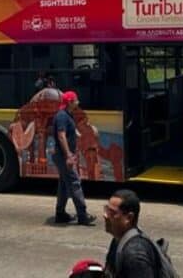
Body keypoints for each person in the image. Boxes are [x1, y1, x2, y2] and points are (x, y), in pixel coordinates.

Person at [53, 91, 96, 226]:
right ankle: (82, 215)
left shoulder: (67, 115)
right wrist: (69, 155)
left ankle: (60, 214)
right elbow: (61, 135)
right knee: (74, 182)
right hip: (63, 156)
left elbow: (67, 132)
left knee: (64, 186)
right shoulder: (62, 116)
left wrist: (76, 134)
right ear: (70, 102)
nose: (78, 102)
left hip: (63, 155)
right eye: (76, 100)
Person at [103, 190, 157, 278]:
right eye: (106, 209)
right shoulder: (118, 240)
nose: (105, 215)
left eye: (112, 213)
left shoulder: (134, 255)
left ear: (129, 217)